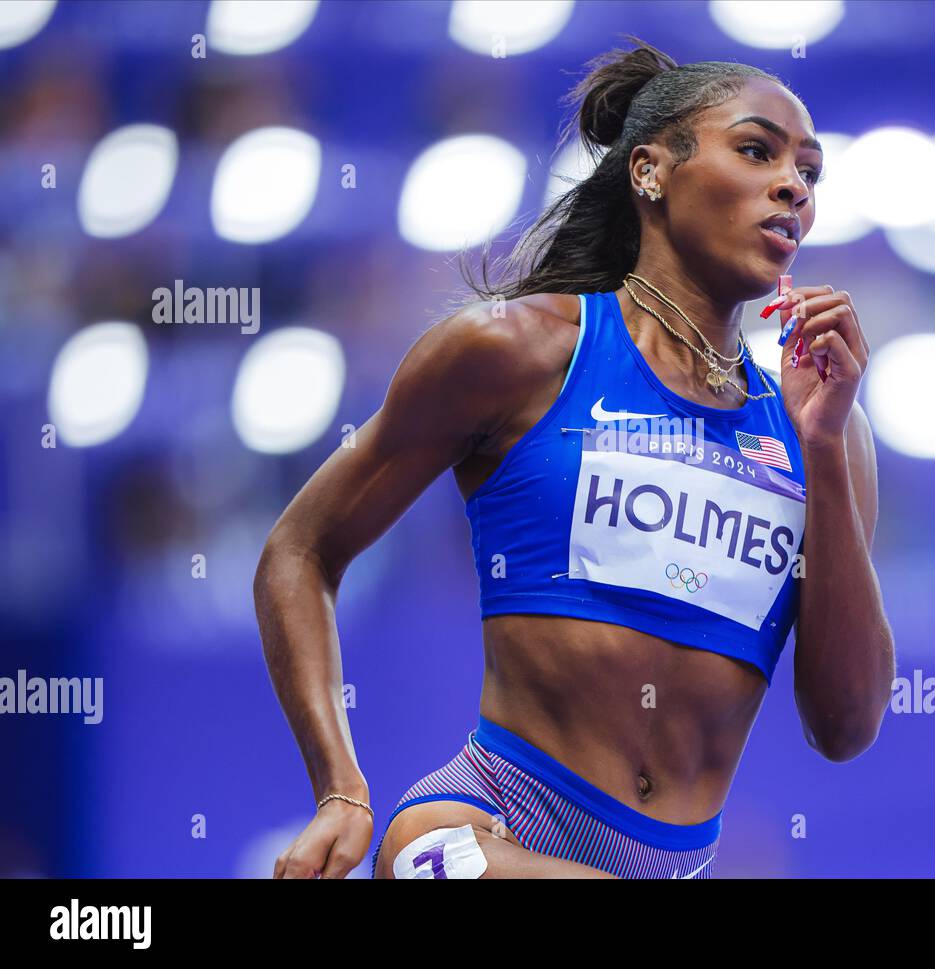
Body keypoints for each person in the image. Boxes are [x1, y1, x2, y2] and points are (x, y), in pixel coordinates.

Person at [254, 36, 894, 880]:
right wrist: (340, 786)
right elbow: (298, 552)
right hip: (482, 834)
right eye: (755, 150)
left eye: (810, 173)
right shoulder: (517, 351)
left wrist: (822, 450)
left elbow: (845, 725)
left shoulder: (823, 428)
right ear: (650, 173)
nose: (793, 187)